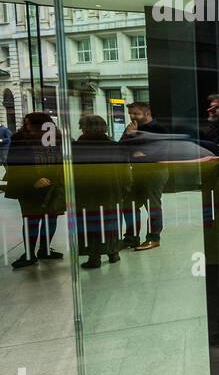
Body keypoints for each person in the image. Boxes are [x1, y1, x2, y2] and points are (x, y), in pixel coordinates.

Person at [4, 112, 67, 268]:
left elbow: (62, 160)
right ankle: (30, 254)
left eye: (31, 123)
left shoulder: (56, 139)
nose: (28, 127)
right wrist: (33, 179)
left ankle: (44, 249)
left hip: (52, 185)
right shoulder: (20, 139)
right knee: (31, 219)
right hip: (29, 186)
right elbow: (14, 163)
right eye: (26, 123)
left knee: (51, 218)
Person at [71, 115, 128, 269]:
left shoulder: (77, 147)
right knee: (111, 222)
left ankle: (94, 256)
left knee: (89, 224)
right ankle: (113, 252)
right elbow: (125, 170)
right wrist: (124, 189)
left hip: (86, 192)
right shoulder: (114, 146)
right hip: (111, 191)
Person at [121, 102, 167, 250]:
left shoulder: (158, 129)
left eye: (136, 114)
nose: (132, 117)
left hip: (155, 171)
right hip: (137, 171)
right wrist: (129, 135)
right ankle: (131, 237)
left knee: (152, 205)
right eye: (130, 114)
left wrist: (135, 141)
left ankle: (154, 238)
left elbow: (161, 150)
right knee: (129, 204)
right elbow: (120, 148)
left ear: (147, 113)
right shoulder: (132, 128)